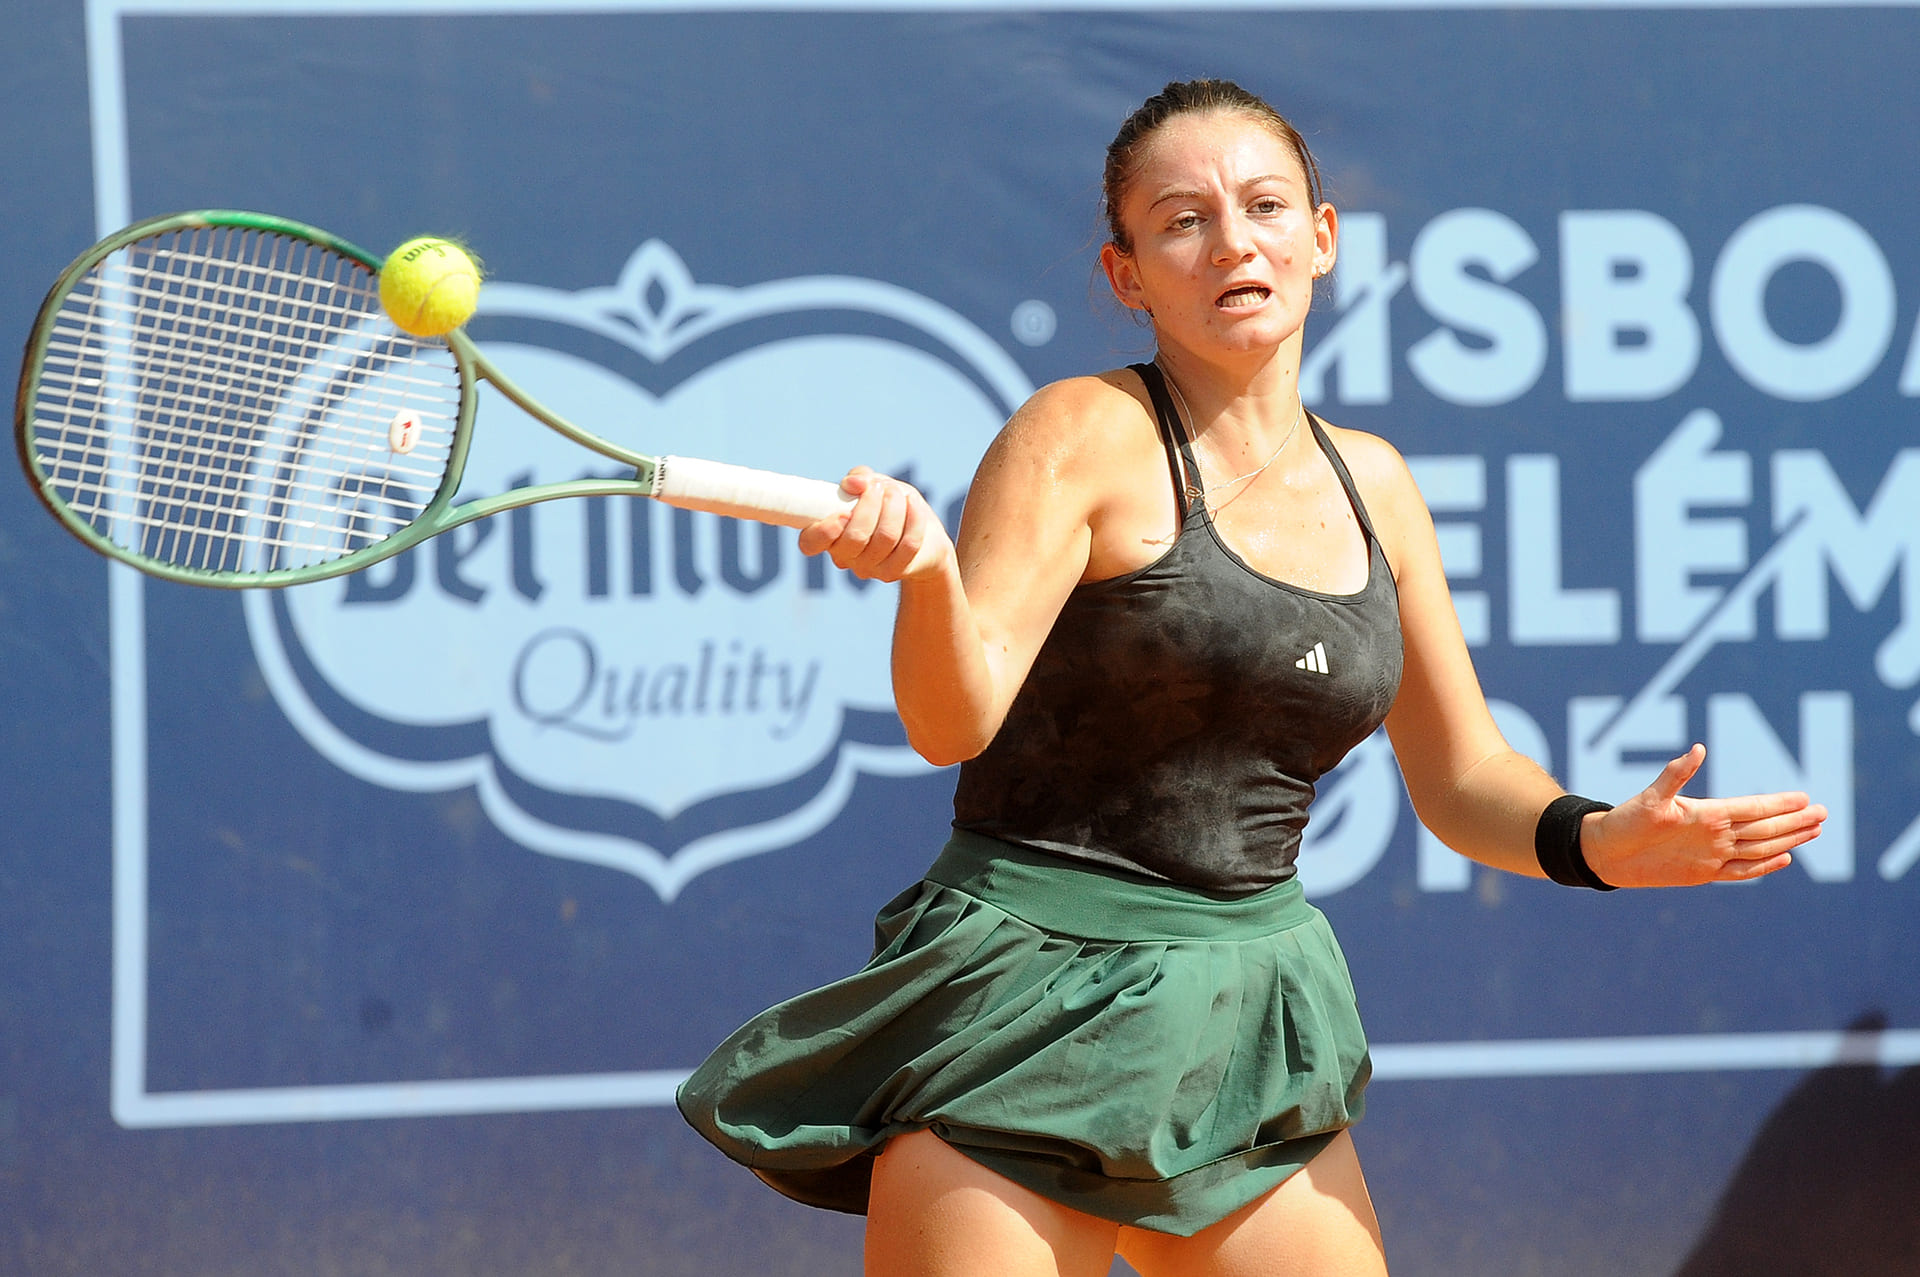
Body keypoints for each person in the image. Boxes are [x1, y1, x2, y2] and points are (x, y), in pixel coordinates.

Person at [678, 78, 1827, 1277]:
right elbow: (950, 720)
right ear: (1128, 274)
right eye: (1182, 220)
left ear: (1320, 238)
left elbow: (1464, 772)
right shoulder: (1075, 433)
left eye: (1266, 205)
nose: (1233, 241)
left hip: (1247, 1019)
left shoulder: (1377, 484)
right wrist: (926, 574)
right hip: (1021, 1004)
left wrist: (1593, 840)